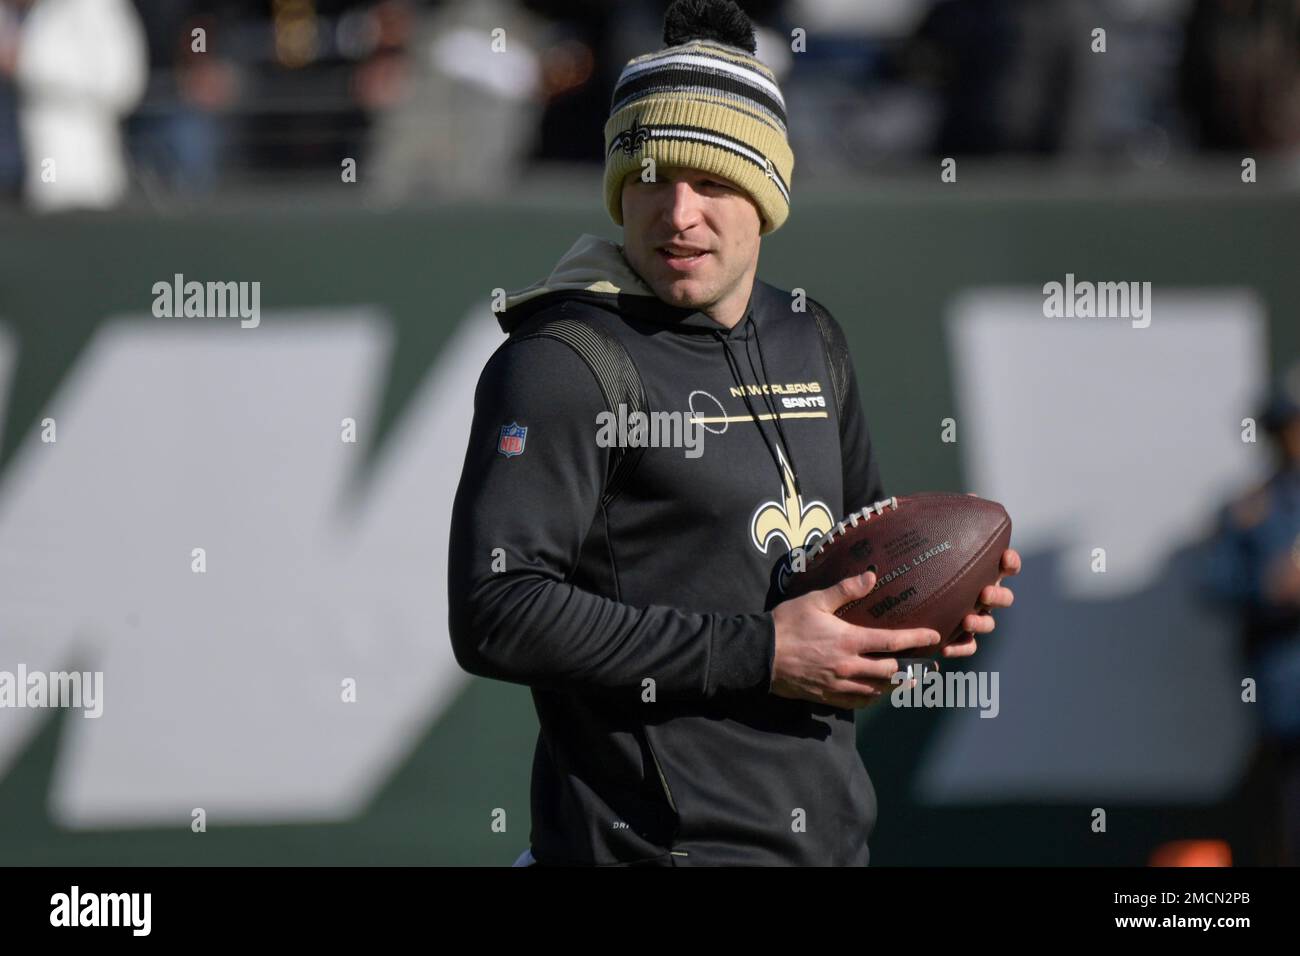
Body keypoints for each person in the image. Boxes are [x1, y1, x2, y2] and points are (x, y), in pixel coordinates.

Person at [447, 0, 1019, 867]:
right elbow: (494, 608)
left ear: (766, 195)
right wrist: (762, 652)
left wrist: (919, 618)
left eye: (712, 181)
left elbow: (850, 566)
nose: (677, 214)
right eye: (648, 178)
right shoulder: (564, 360)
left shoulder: (810, 335)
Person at [1204, 364, 1300, 865]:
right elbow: (1212, 583)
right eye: (1290, 426)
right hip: (1287, 701)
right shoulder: (1250, 508)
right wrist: (1273, 587)